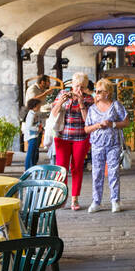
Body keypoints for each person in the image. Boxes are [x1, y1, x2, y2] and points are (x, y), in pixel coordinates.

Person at [50, 72, 95, 208]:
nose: (78, 90)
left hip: (80, 138)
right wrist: (61, 102)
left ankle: (74, 199)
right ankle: (61, 197)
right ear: (72, 85)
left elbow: (88, 120)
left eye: (82, 87)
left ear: (86, 87)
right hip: (62, 137)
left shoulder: (89, 99)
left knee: (77, 168)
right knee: (61, 168)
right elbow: (53, 113)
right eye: (76, 86)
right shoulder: (63, 94)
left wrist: (81, 103)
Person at [86, 78, 130, 213]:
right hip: (97, 145)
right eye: (96, 91)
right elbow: (86, 129)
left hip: (113, 144)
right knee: (97, 173)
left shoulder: (116, 105)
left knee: (113, 172)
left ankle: (115, 200)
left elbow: (126, 122)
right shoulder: (92, 109)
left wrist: (113, 124)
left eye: (99, 91)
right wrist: (98, 125)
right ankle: (96, 201)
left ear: (107, 93)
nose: (96, 94)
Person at [21, 97, 43, 170]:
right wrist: (38, 129)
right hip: (32, 136)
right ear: (34, 106)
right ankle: (27, 169)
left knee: (34, 153)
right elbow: (29, 126)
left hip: (34, 135)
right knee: (30, 153)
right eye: (38, 106)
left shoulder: (33, 113)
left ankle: (32, 167)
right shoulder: (31, 115)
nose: (39, 107)